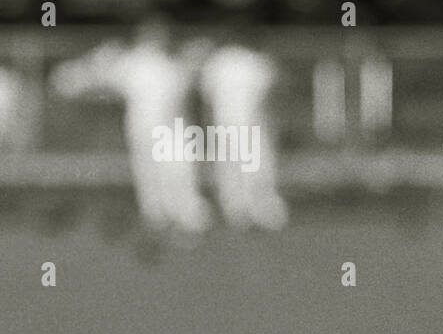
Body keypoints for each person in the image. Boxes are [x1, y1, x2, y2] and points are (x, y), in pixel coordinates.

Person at [50, 18, 212, 235]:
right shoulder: (133, 62)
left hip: (170, 127)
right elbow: (90, 77)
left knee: (177, 170)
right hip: (146, 126)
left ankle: (184, 213)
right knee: (150, 171)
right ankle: (158, 214)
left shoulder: (169, 63)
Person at [198, 40, 290, 231]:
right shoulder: (256, 62)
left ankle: (238, 213)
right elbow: (269, 99)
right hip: (250, 124)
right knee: (257, 169)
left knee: (231, 170)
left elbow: (207, 99)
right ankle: (263, 212)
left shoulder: (217, 61)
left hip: (225, 124)